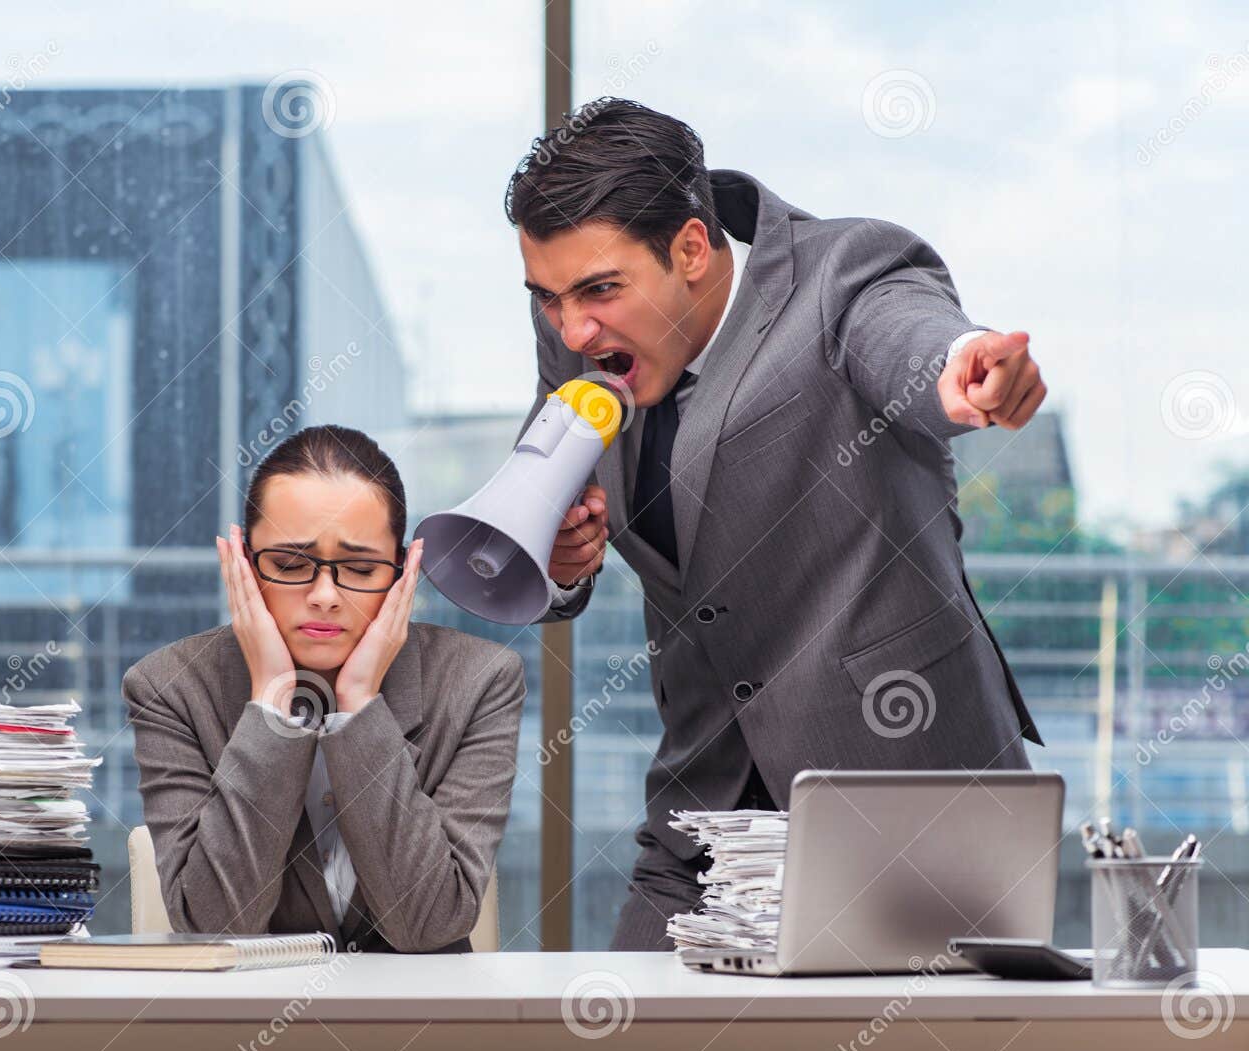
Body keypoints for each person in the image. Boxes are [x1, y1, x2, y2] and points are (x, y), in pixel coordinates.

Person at [509, 98, 1046, 950]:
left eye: (600, 290)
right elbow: (542, 511)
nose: (574, 328)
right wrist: (564, 560)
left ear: (690, 248)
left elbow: (910, 337)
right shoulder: (580, 335)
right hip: (705, 819)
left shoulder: (844, 274)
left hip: (905, 798)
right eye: (548, 297)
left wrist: (959, 369)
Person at [123, 424, 525, 953]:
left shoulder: (479, 681)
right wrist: (270, 701)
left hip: (424, 1024)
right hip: (241, 1025)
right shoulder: (169, 688)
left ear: (404, 573)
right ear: (243, 564)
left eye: (360, 568)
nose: (325, 596)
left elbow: (430, 923)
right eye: (290, 564)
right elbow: (215, 924)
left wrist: (360, 707)